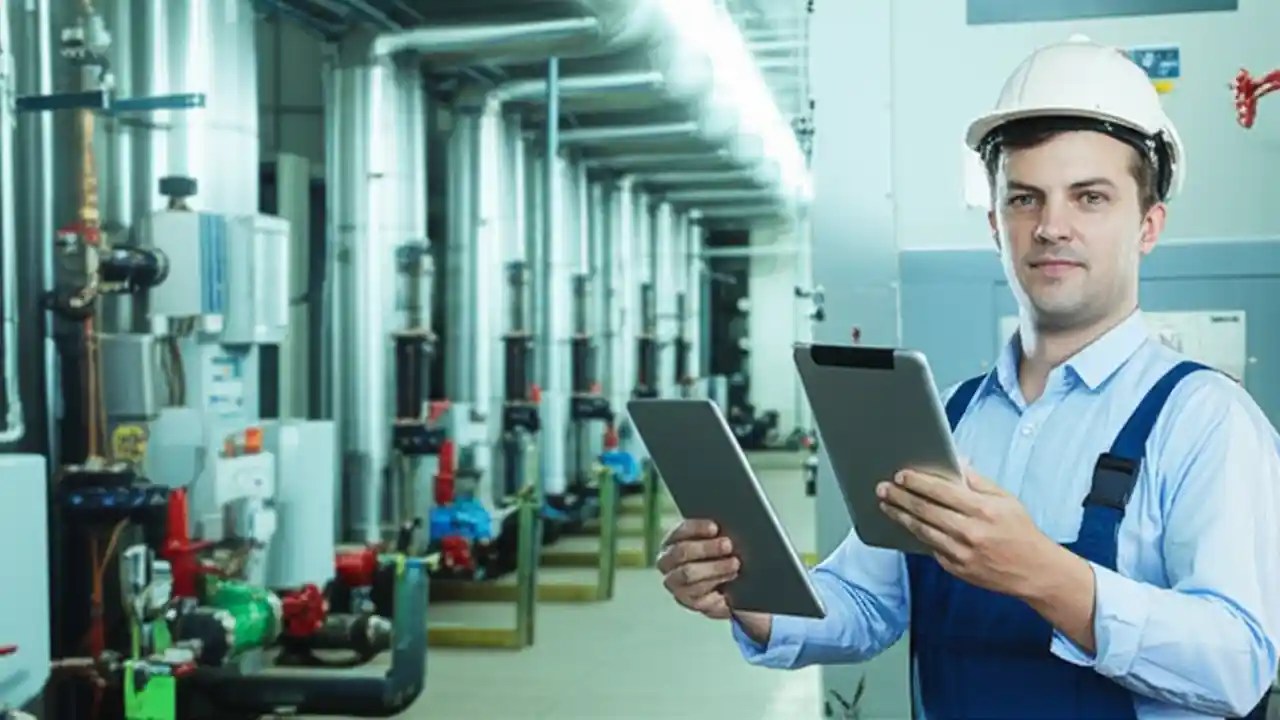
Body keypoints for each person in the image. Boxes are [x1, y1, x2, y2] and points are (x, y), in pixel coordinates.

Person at [656, 36, 1280, 720]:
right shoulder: (945, 419)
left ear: (1148, 226)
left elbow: (1239, 665)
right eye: (1024, 199)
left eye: (1091, 198)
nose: (1051, 227)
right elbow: (866, 603)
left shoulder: (1208, 421)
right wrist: (748, 592)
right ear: (995, 224)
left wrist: (1049, 578)